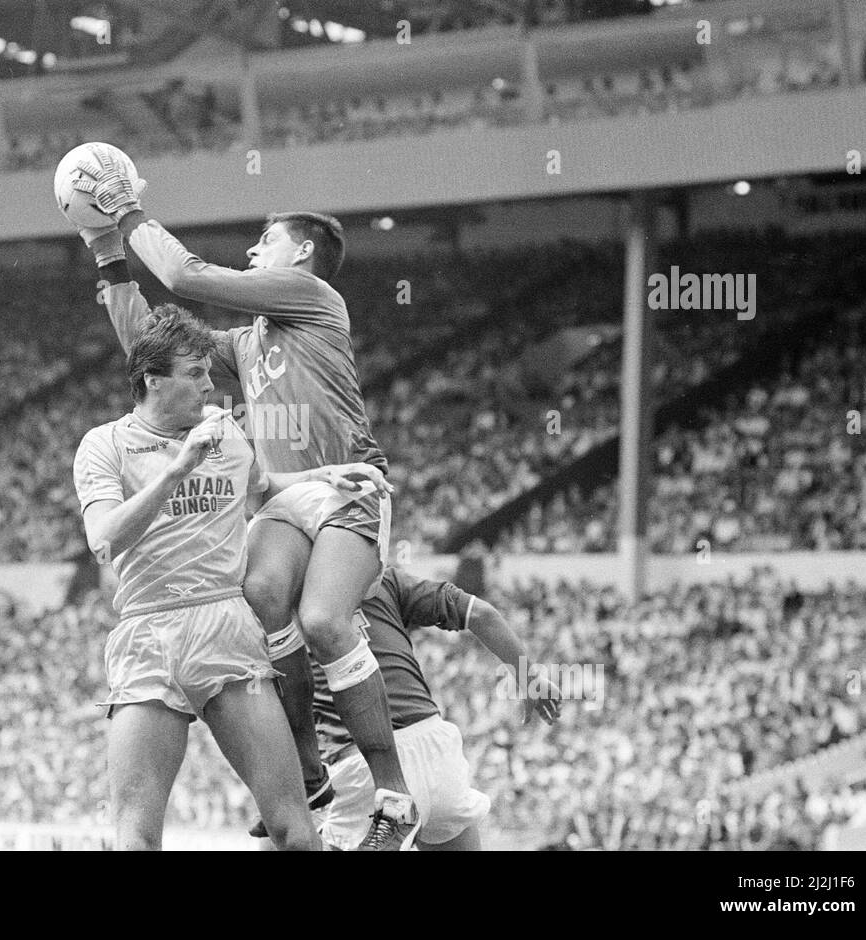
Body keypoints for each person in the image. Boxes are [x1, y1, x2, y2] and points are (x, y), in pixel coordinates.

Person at [72, 145, 419, 849]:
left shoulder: (314, 300)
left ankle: (394, 793)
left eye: (269, 240)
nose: (256, 248)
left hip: (348, 481)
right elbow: (155, 348)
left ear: (303, 254)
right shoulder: (249, 340)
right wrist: (107, 255)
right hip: (291, 495)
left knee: (322, 620)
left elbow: (184, 274)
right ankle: (307, 761)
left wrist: (126, 208)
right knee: (260, 591)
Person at [254, 566, 563, 849]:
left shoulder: (274, 595)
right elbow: (481, 614)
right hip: (434, 748)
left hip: (365, 763)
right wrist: (530, 678)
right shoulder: (380, 579)